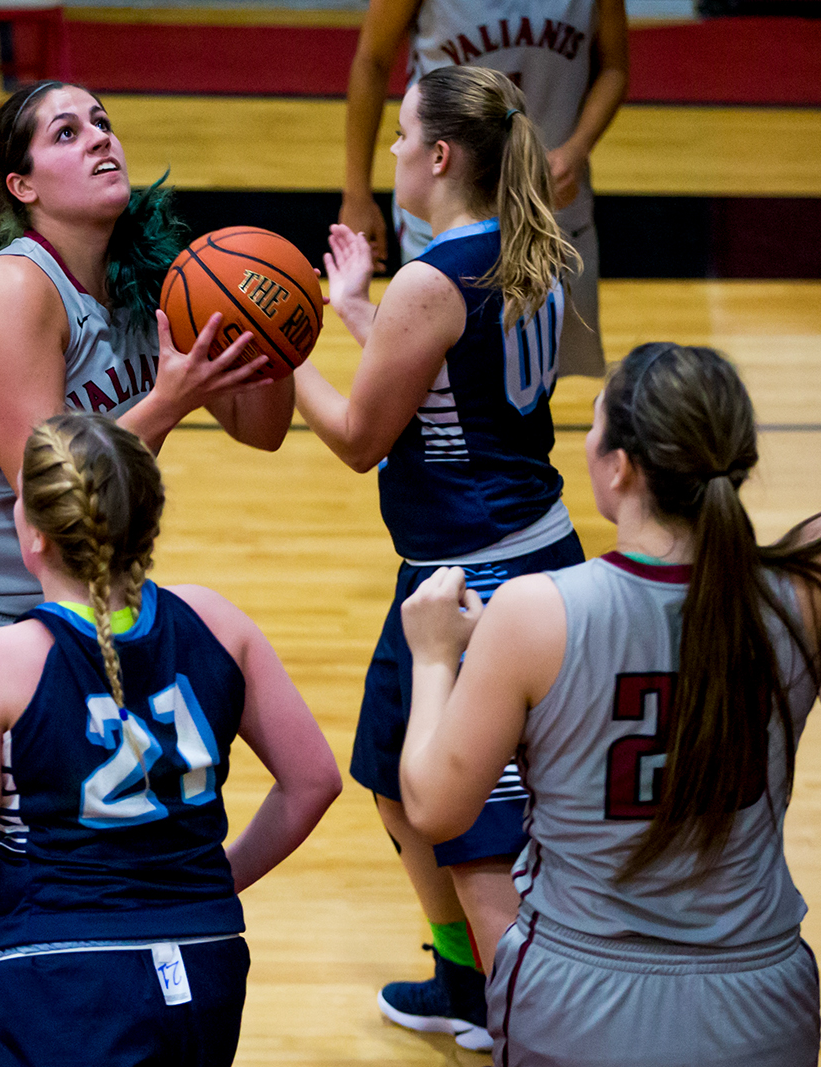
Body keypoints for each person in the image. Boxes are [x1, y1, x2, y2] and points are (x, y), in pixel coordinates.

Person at [0, 81, 300, 1066]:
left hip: (86, 591)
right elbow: (42, 482)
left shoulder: (152, 282)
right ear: (22, 183)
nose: (98, 136)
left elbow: (265, 432)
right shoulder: (15, 288)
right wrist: (171, 395)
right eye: (67, 131)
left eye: (101, 121)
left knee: (78, 840)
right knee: (41, 843)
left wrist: (270, 321)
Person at [398, 343, 821, 1065]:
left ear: (619, 464)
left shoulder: (538, 612)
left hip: (583, 999)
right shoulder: (802, 597)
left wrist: (435, 655)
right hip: (762, 998)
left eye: (593, 427)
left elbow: (434, 807)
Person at [294, 65, 584, 1051]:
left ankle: (532, 1030)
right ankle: (463, 977)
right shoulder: (521, 243)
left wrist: (282, 347)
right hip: (520, 545)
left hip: (473, 576)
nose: (390, 151)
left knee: (475, 842)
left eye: (400, 136)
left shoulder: (432, 276)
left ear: (441, 155)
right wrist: (349, 309)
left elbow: (359, 435)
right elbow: (448, 383)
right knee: (389, 769)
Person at [0, 413, 341, 1066]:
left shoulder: (1, 660)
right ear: (148, 521)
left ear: (32, 532)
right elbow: (314, 779)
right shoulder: (216, 619)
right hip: (210, 964)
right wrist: (212, 881)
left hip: (64, 972)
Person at [340, 0, 627, 377]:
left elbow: (614, 69)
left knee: (550, 373)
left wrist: (578, 147)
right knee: (431, 371)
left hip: (552, 200)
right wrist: (357, 194)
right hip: (445, 201)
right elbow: (372, 62)